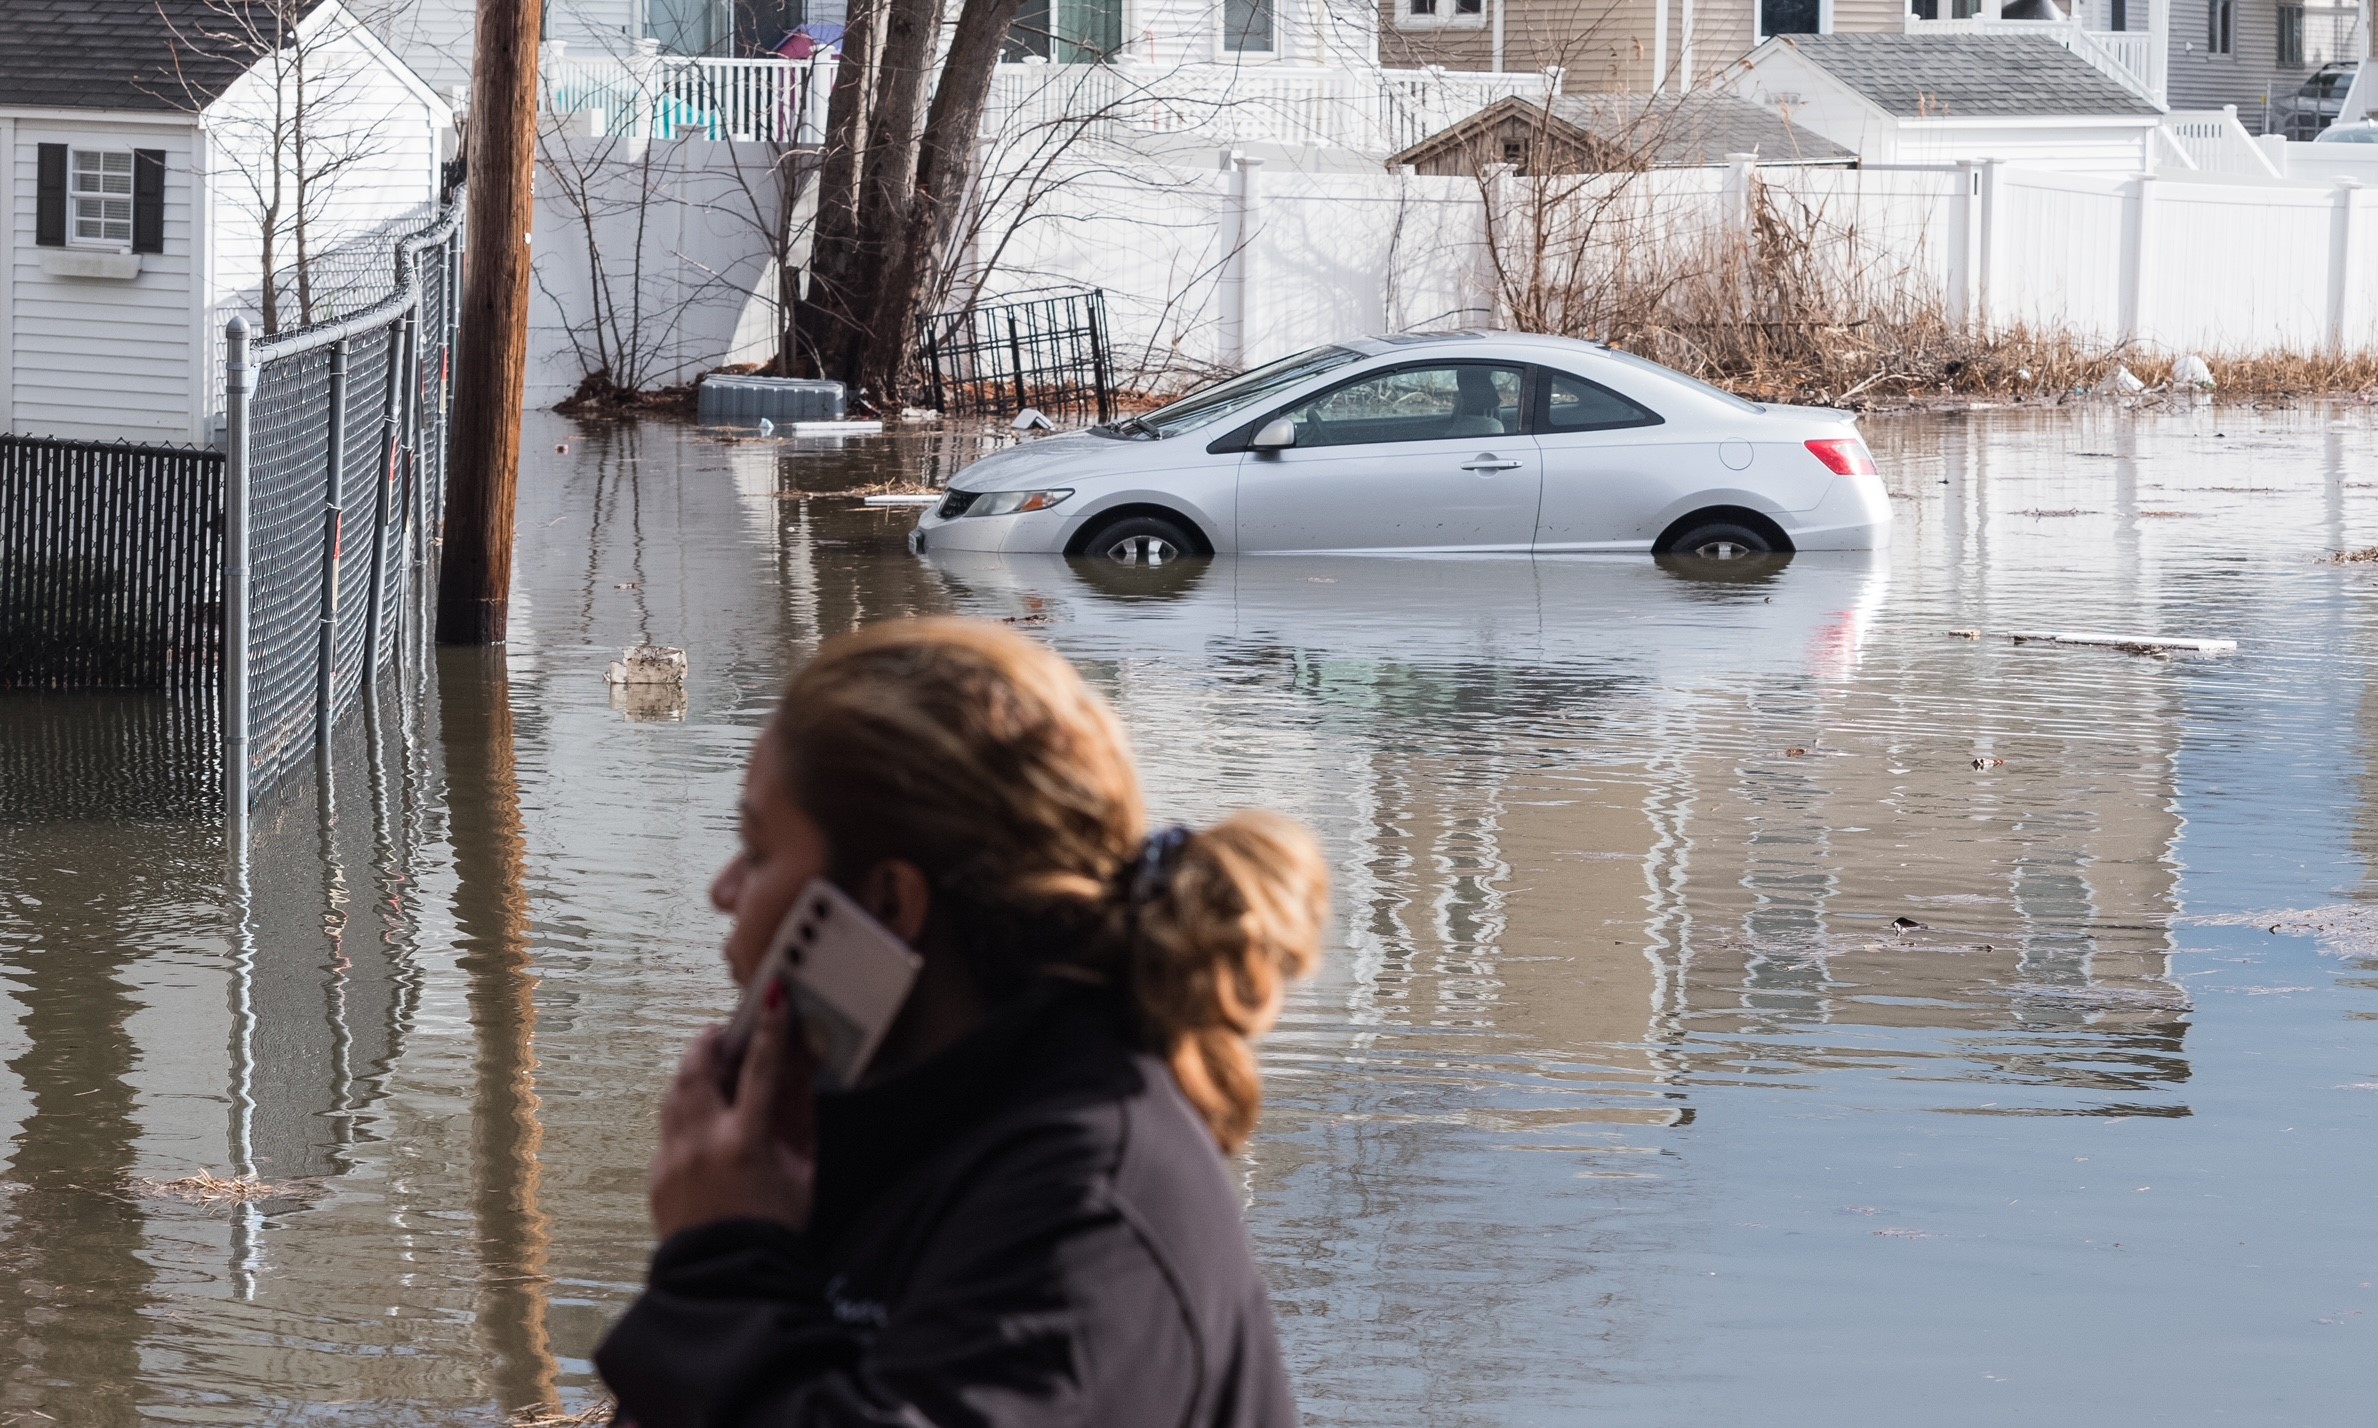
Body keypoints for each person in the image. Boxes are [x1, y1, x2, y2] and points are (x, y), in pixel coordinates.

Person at [595, 617, 1329, 1427]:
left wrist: (721, 1261)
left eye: (758, 849)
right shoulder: (847, 1142)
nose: (724, 891)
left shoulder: (1090, 1212)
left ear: (887, 904)